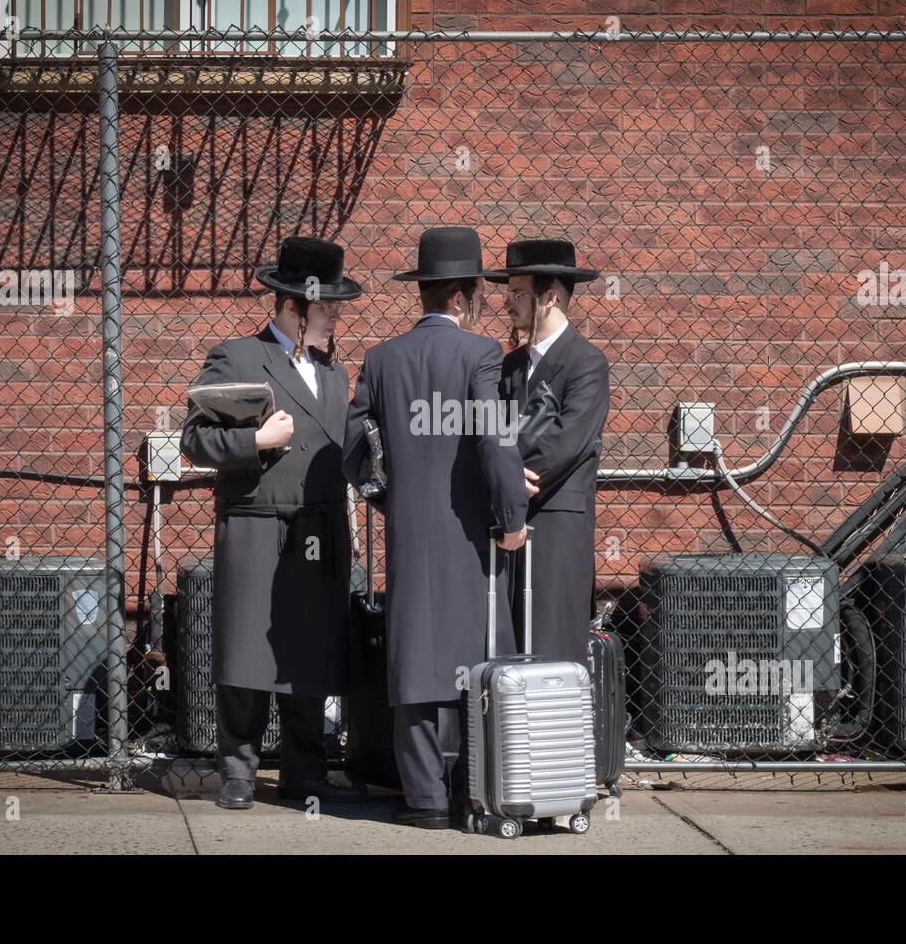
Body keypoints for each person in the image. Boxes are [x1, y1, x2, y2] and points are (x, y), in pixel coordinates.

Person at [343, 226, 529, 829]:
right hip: (468, 533)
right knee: (475, 656)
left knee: (414, 654)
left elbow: (354, 451)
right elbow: (496, 442)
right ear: (462, 297)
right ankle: (467, 789)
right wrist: (510, 519)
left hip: (408, 531)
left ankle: (422, 797)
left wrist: (391, 500)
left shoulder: (381, 358)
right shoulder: (478, 355)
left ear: (425, 292)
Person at [181, 236, 365, 811]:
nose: (336, 316)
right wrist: (256, 441)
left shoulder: (332, 372)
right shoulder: (237, 356)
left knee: (308, 650)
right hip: (257, 521)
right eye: (327, 306)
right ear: (293, 304)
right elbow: (194, 438)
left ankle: (304, 771)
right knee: (245, 650)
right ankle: (237, 770)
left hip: (319, 526)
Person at [493, 239, 609, 666]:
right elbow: (490, 433)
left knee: (552, 646)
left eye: (518, 293)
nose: (508, 303)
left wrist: (507, 476)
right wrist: (503, 479)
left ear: (551, 297)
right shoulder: (509, 366)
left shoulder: (586, 363)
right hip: (505, 519)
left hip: (557, 523)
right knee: (507, 644)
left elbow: (567, 441)